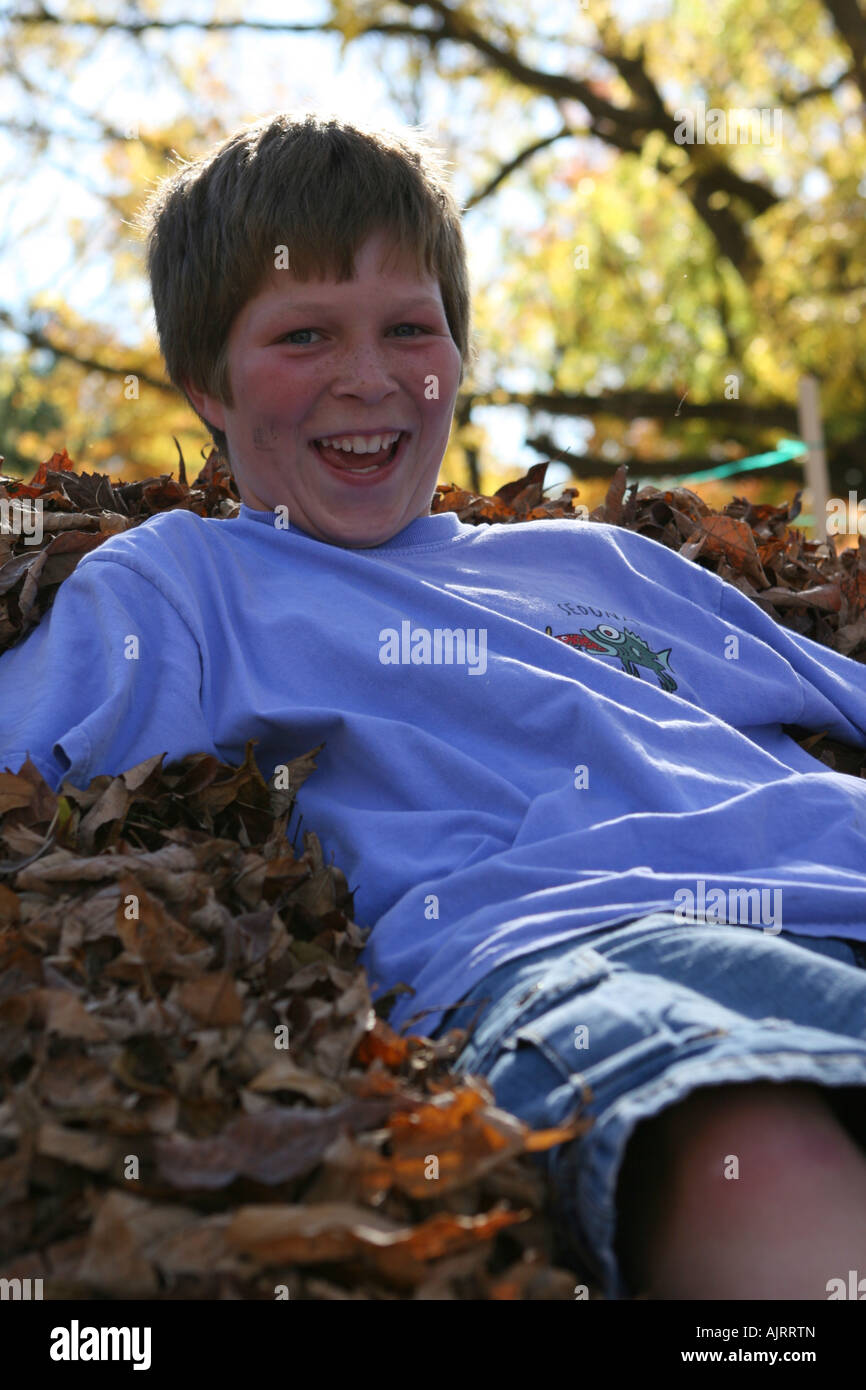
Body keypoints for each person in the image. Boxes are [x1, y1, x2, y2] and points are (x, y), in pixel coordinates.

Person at [2, 110, 866, 1301]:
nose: (368, 376)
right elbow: (29, 768)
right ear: (205, 380)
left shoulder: (600, 567)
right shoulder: (187, 582)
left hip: (842, 872)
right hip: (578, 941)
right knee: (750, 1152)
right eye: (304, 333)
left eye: (409, 328)